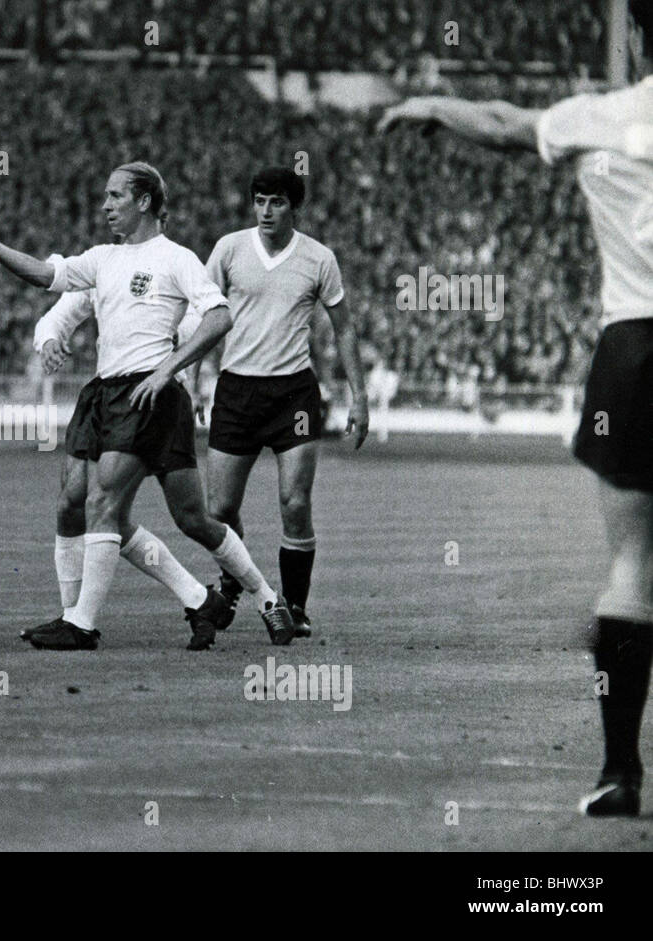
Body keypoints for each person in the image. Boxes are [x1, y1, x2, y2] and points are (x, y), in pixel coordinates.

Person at [377, 0, 653, 817]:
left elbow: (500, 121)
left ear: (636, 33)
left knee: (633, 566)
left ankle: (618, 773)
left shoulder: (598, 116)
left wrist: (431, 104)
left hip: (634, 351)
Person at [0, 162, 293, 650]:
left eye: (115, 196)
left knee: (103, 503)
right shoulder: (102, 258)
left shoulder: (176, 258)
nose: (105, 205)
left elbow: (219, 318)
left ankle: (82, 626)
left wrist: (166, 371)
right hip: (105, 393)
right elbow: (45, 275)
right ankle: (220, 600)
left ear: (144, 201)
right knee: (168, 515)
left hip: (149, 395)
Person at [137, 166, 369, 639]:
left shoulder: (319, 259)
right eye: (259, 200)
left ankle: (296, 607)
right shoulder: (228, 249)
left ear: (294, 207)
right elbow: (203, 312)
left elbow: (344, 328)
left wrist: (359, 399)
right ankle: (237, 578)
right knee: (219, 508)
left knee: (294, 500)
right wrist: (195, 377)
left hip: (295, 395)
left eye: (277, 202)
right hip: (237, 392)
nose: (266, 210)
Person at [31, 286, 237, 650]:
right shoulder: (104, 266)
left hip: (154, 398)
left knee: (172, 515)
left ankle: (261, 596)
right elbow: (59, 314)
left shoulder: (171, 268)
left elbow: (203, 323)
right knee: (74, 504)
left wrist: (165, 353)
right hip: (104, 394)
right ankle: (75, 616)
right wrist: (49, 340)